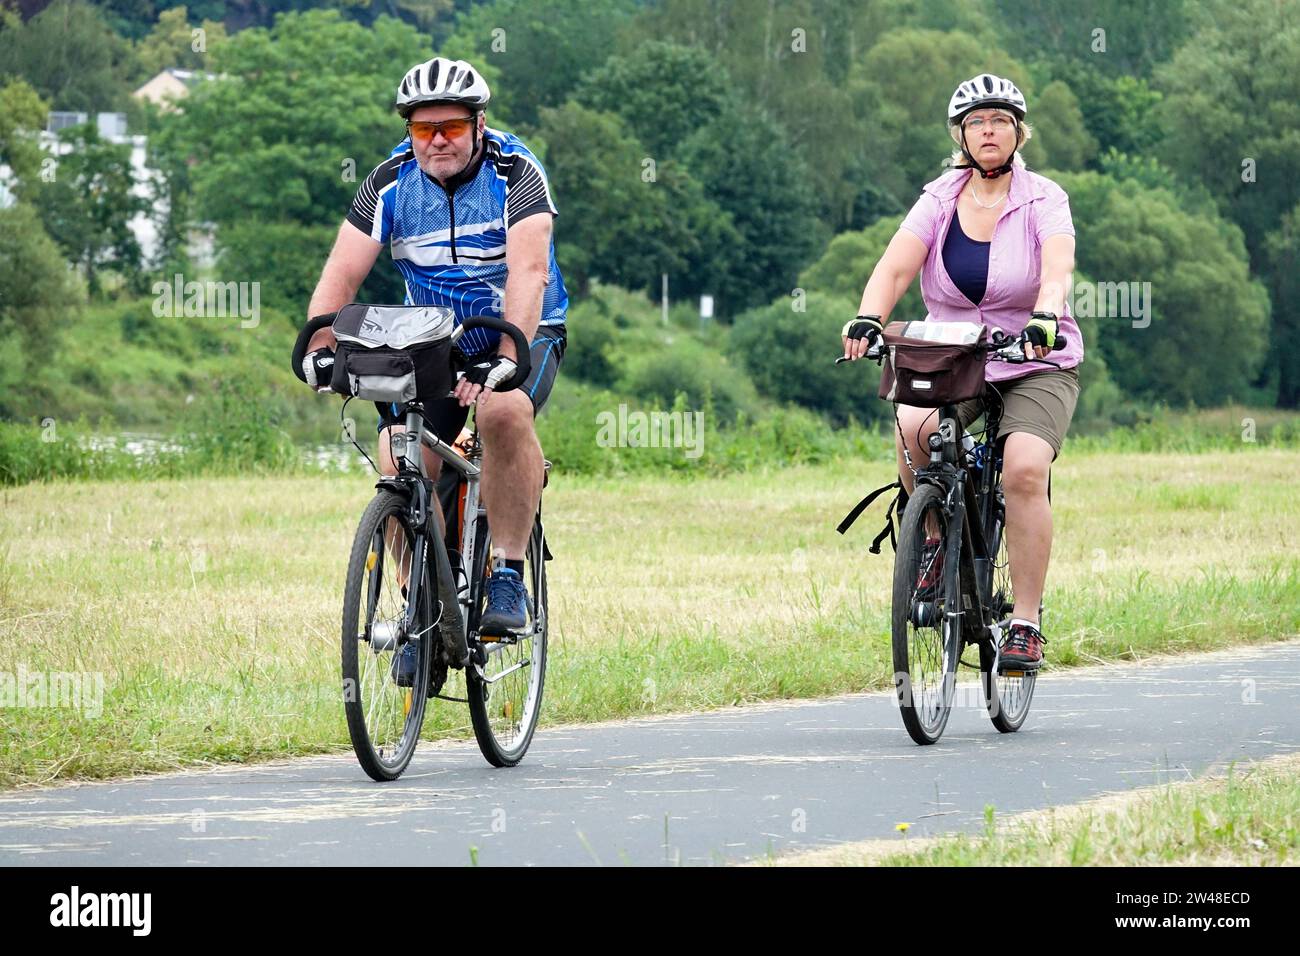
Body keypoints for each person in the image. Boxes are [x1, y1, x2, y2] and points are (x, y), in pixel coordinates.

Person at [298, 56, 567, 647]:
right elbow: (340, 277)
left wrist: (507, 356)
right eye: (424, 129)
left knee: (502, 412)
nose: (437, 140)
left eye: (450, 127)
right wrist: (319, 345)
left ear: (478, 124)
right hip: (435, 337)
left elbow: (528, 274)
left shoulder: (516, 171)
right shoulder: (389, 181)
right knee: (400, 455)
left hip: (524, 326)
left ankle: (506, 573)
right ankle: (419, 598)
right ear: (409, 131)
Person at [841, 73, 1083, 670]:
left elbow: (1057, 267)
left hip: (1034, 357)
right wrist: (869, 318)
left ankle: (1024, 621)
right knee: (914, 427)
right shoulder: (940, 197)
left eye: (999, 120)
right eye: (976, 122)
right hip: (957, 354)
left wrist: (1045, 316)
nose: (988, 131)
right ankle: (932, 541)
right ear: (962, 136)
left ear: (1018, 132)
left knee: (1024, 469)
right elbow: (896, 268)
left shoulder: (1043, 197)